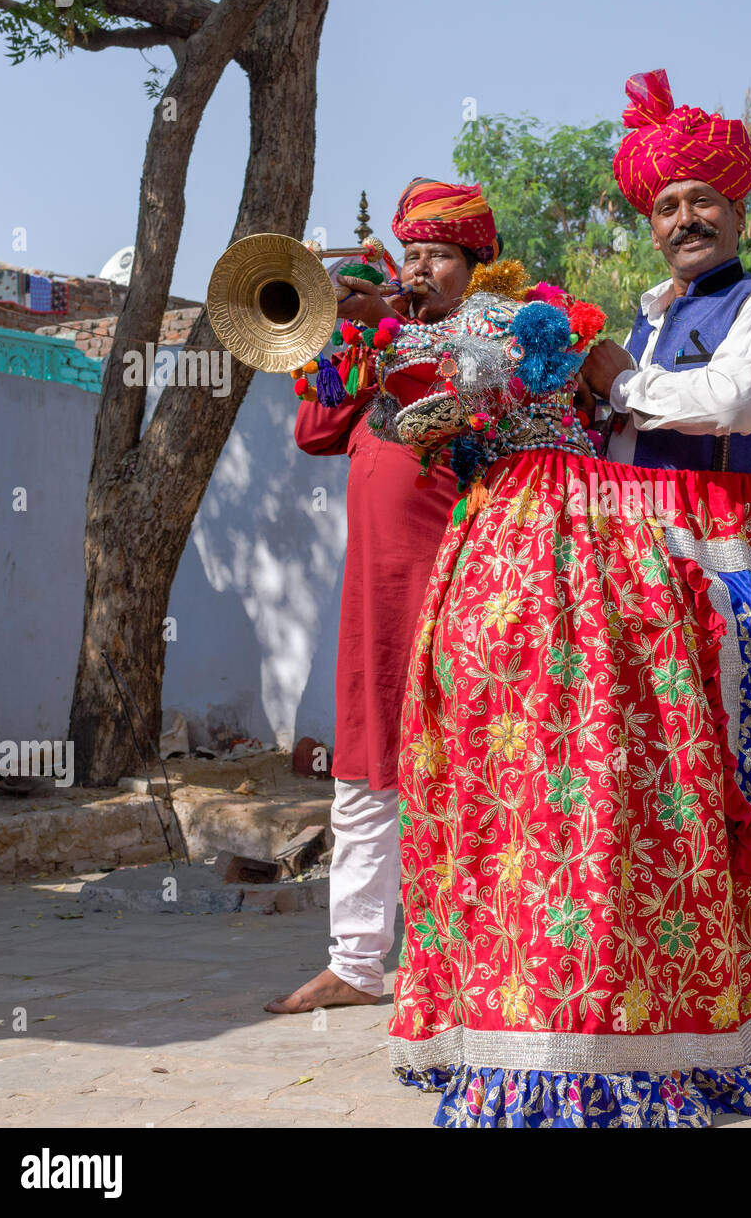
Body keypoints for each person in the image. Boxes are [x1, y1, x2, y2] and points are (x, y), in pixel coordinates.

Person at [264, 179, 502, 1014]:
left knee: (474, 776)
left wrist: (394, 331)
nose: (421, 269)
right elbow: (313, 431)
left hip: (469, 598)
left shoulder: (492, 341)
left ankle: (477, 959)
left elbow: (483, 400)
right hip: (376, 602)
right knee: (363, 780)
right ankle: (358, 965)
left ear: (477, 266)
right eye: (412, 255)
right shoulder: (377, 352)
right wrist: (349, 335)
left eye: (440, 256)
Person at [580, 67, 751, 473]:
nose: (685, 219)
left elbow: (733, 402)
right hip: (633, 527)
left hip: (727, 531)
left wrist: (621, 385)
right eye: (668, 209)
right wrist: (593, 405)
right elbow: (637, 430)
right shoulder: (650, 314)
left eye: (702, 201)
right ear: (655, 234)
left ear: (737, 215)